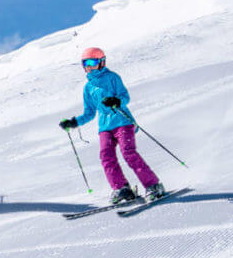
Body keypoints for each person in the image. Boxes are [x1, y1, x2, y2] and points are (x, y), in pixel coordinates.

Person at [59, 47, 167, 205]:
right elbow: (89, 112)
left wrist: (116, 101)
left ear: (101, 62)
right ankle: (122, 188)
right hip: (104, 127)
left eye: (92, 62)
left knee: (128, 153)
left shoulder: (112, 77)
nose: (89, 66)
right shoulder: (88, 88)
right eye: (86, 63)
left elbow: (125, 96)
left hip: (123, 122)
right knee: (106, 156)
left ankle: (153, 185)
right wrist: (74, 122)